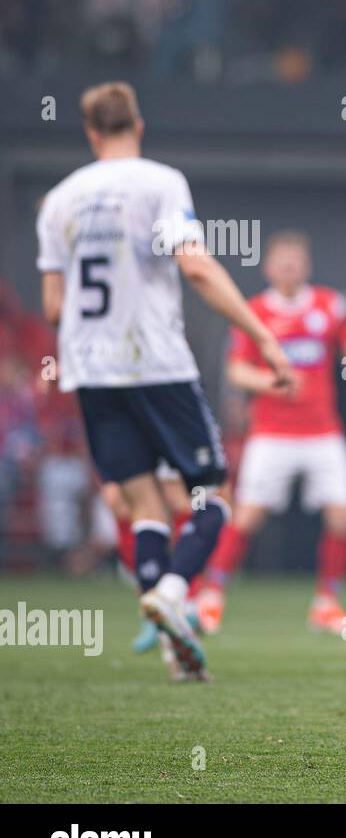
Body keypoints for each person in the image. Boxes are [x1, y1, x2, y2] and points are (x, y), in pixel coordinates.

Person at [36, 81, 293, 681]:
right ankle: (176, 590)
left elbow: (52, 309)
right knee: (214, 497)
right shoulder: (160, 182)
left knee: (143, 500)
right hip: (153, 361)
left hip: (91, 369)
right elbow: (197, 266)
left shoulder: (59, 201)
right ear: (139, 126)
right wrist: (260, 335)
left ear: (91, 134)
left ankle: (166, 620)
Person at [195, 231, 346, 635]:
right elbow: (236, 370)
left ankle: (326, 603)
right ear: (268, 267)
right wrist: (272, 383)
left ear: (306, 265)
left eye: (296, 261)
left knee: (344, 515)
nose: (290, 268)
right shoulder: (254, 312)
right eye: (283, 262)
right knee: (247, 516)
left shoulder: (328, 305)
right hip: (272, 432)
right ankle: (211, 596)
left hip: (322, 431)